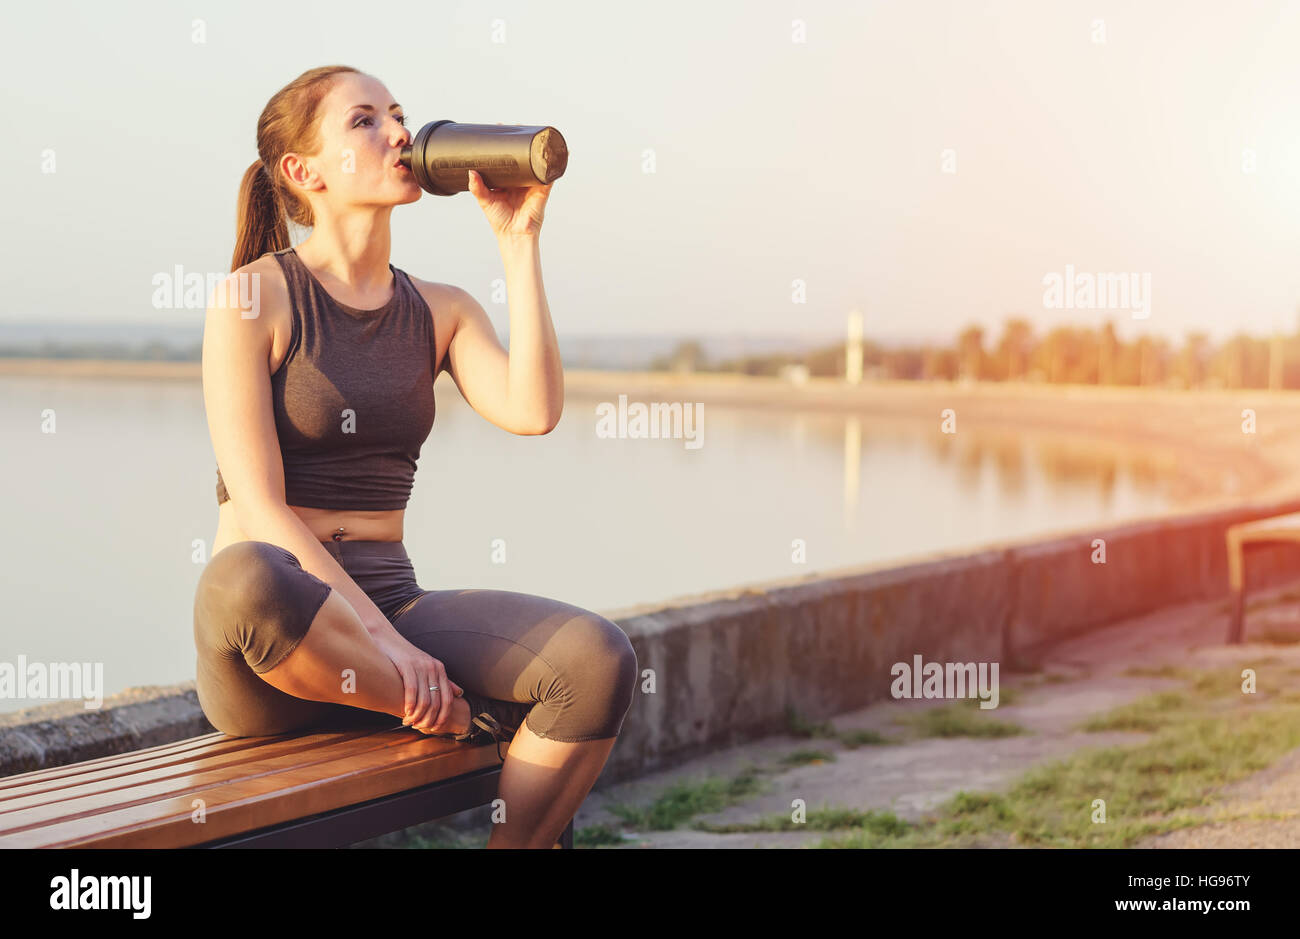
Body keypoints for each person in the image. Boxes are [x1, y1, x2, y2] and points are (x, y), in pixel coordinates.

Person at [192, 65, 637, 849]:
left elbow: (533, 410)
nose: (399, 133)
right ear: (304, 171)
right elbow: (260, 508)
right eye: (364, 121)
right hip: (280, 651)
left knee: (598, 659)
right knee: (245, 575)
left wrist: (519, 241)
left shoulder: (439, 309)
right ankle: (442, 707)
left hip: (395, 610)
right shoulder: (251, 299)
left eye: (398, 115)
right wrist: (392, 653)